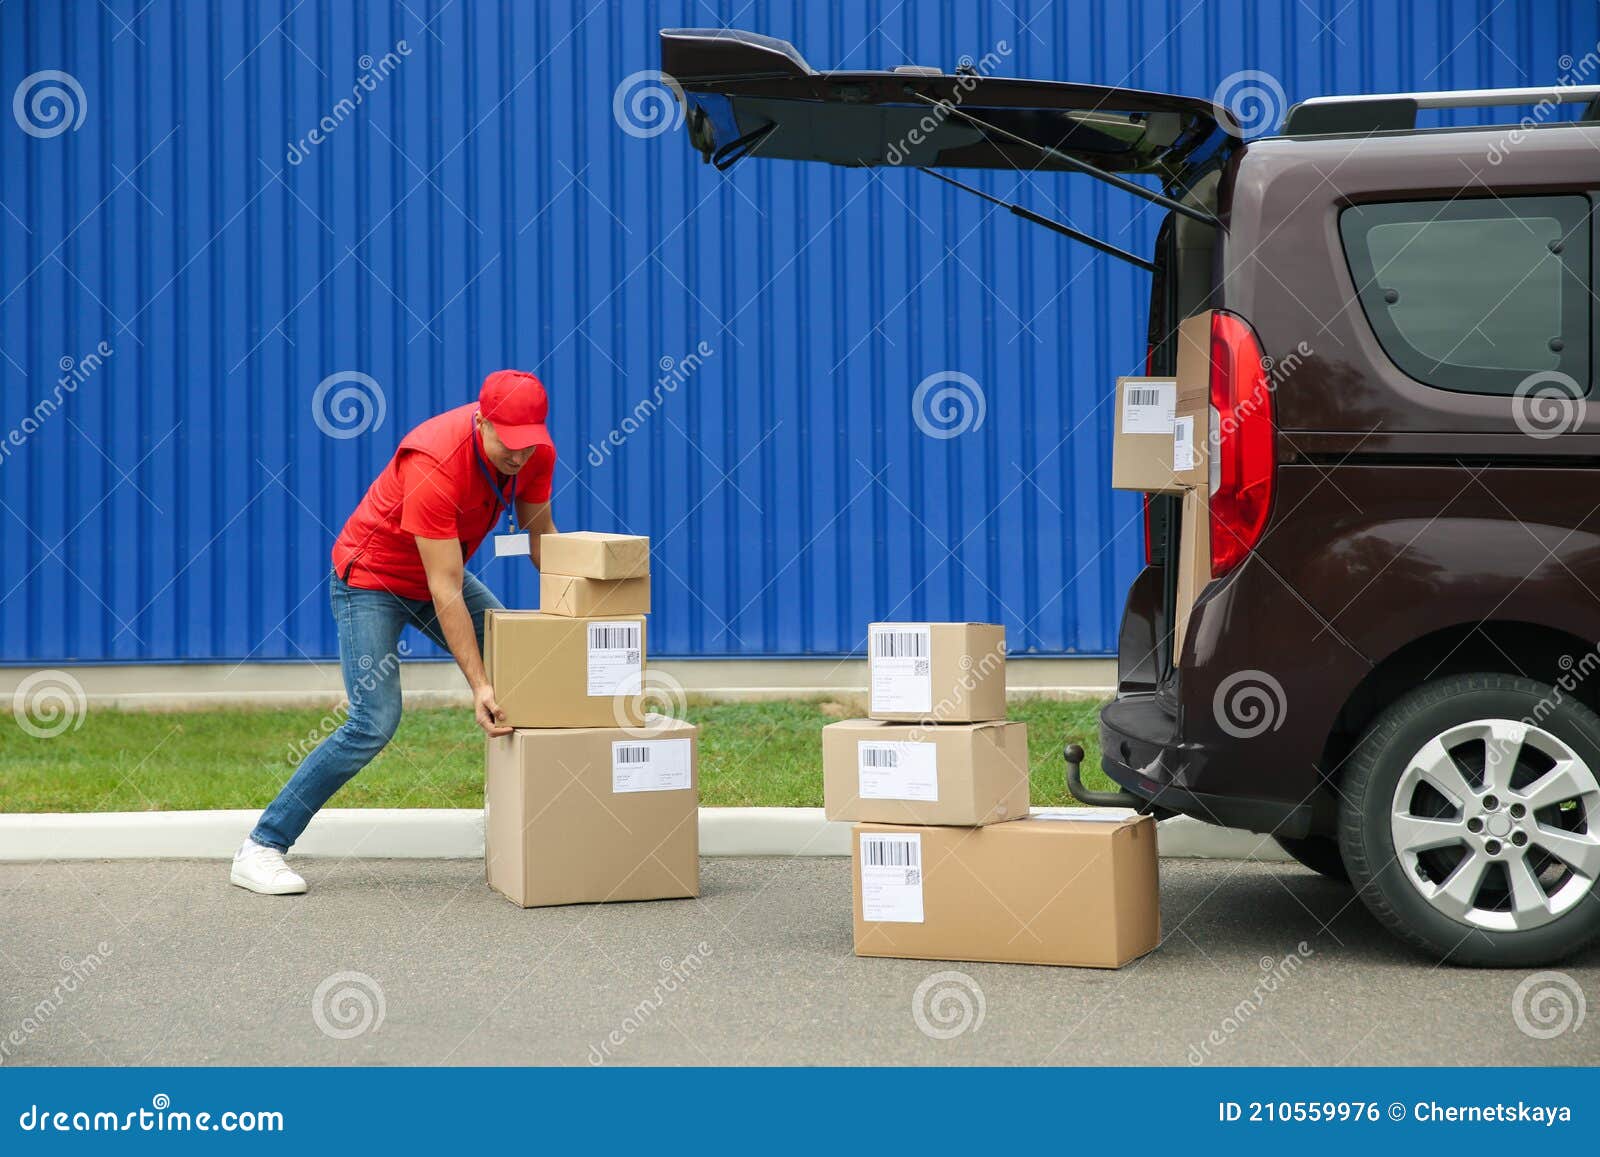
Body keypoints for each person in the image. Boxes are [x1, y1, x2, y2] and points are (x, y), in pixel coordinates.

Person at [231, 370, 558, 895]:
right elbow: (445, 588)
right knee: (373, 721)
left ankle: (535, 834)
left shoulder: (534, 453)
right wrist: (479, 685)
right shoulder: (435, 461)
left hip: (436, 573)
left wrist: (580, 613)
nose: (518, 457)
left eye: (528, 445)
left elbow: (544, 541)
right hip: (373, 579)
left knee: (526, 668)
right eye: (508, 444)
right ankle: (262, 846)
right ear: (481, 421)